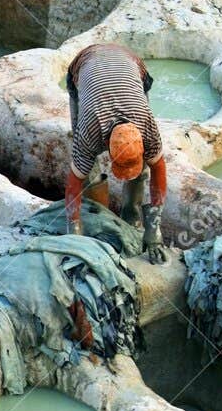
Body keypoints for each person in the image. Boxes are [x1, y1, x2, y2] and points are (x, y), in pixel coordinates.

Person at [63, 42, 168, 264]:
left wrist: (154, 228)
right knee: (87, 168)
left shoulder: (146, 125)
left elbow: (159, 169)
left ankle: (132, 218)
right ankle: (100, 217)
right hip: (84, 66)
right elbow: (74, 181)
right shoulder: (90, 130)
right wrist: (74, 229)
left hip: (130, 62)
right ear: (108, 150)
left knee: (142, 171)